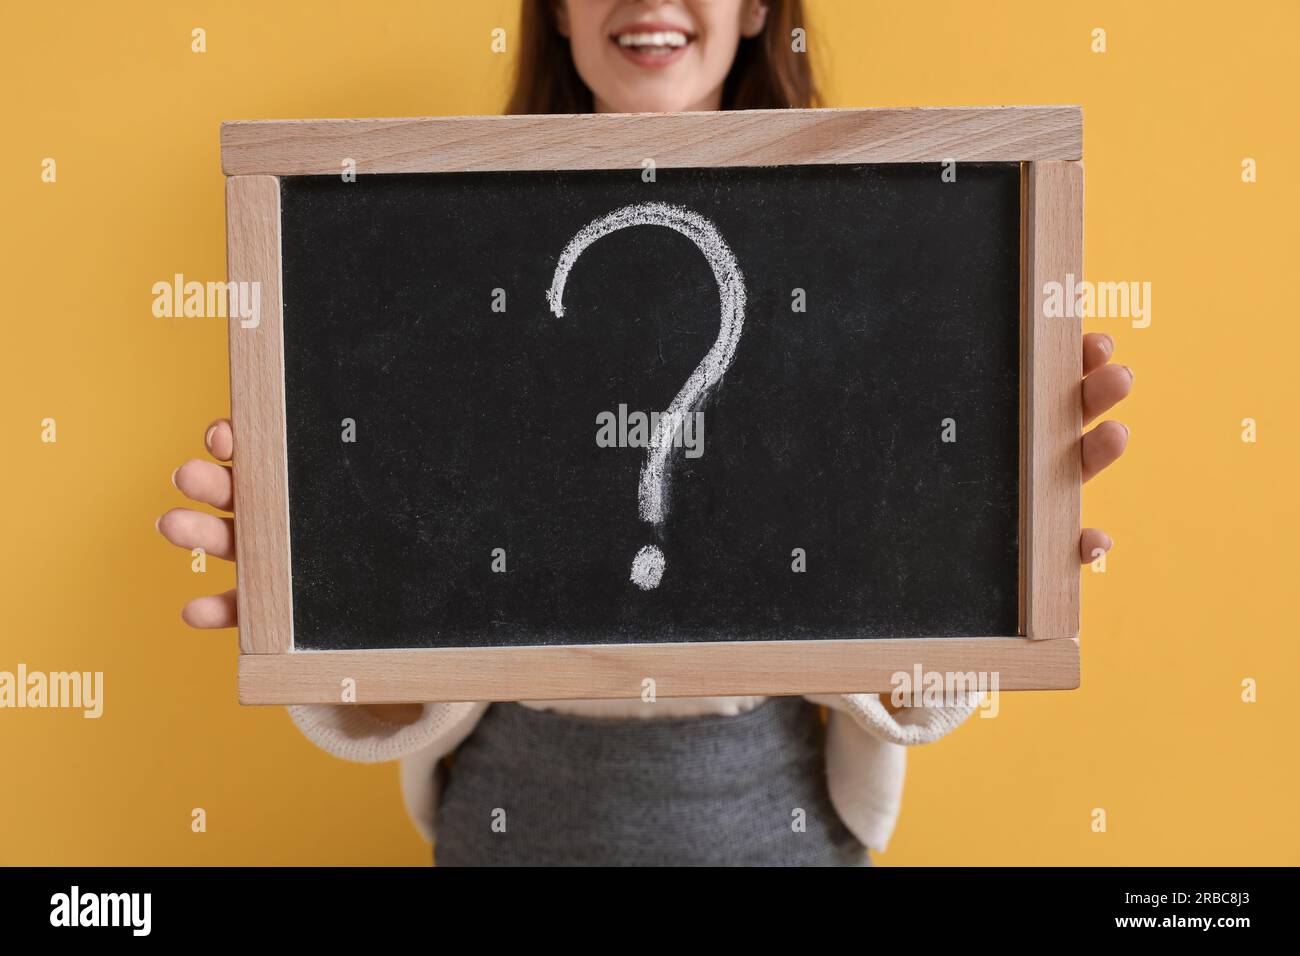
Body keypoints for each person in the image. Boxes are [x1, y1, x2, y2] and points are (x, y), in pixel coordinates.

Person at [158, 0, 1133, 865]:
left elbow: (904, 654)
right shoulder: (435, 272)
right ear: (553, 11)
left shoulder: (872, 276)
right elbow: (399, 659)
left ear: (756, 9)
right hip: (508, 821)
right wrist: (317, 562)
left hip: (780, 822)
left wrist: (995, 541)